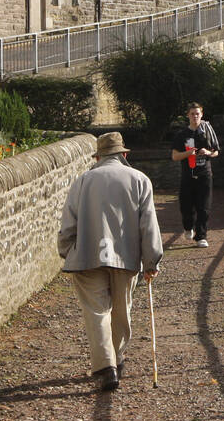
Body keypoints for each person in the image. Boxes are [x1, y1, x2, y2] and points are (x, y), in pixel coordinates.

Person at [58, 132, 162, 392]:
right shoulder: (140, 180)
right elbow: (149, 225)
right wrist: (151, 260)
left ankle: (107, 367)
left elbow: (68, 223)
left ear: (98, 156)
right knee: (121, 309)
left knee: (97, 312)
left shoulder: (83, 181)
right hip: (125, 257)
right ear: (124, 155)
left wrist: (67, 250)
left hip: (86, 256)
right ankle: (117, 359)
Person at [169, 102, 220, 248]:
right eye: (192, 114)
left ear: (202, 115)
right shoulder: (182, 135)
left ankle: (201, 237)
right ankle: (188, 227)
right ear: (188, 116)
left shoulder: (207, 132)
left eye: (197, 113)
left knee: (204, 207)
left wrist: (208, 152)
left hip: (205, 174)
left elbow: (216, 151)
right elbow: (174, 156)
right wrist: (188, 153)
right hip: (188, 176)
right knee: (186, 207)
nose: (195, 116)